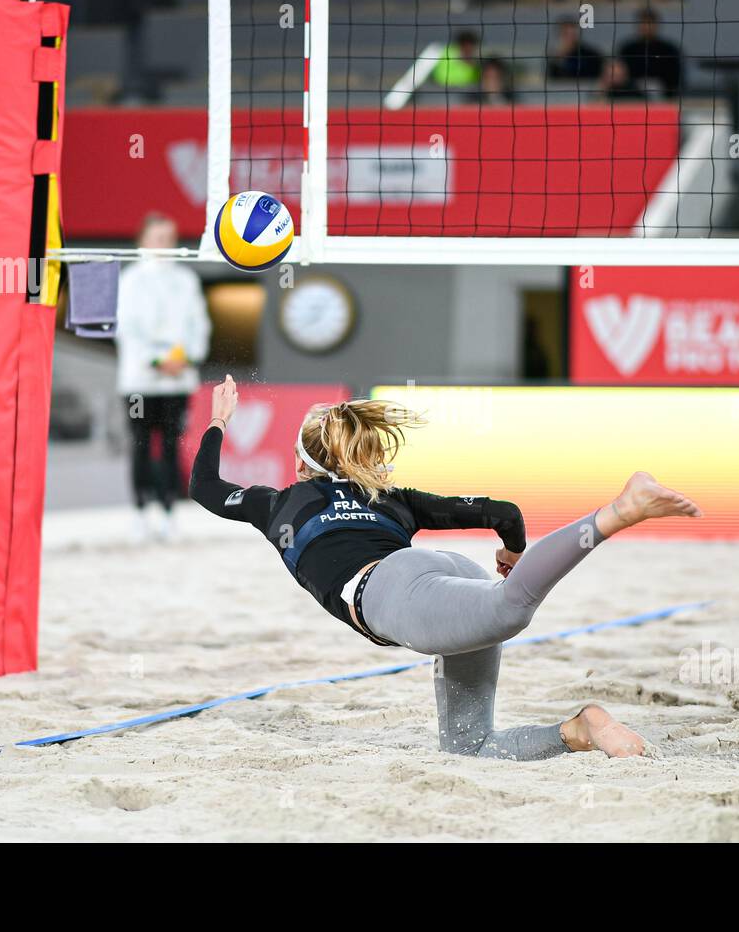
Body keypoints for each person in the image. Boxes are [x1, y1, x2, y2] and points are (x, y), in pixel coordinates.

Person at [191, 376, 703, 760]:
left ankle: (617, 513)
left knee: (511, 610)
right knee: (470, 747)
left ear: (302, 465)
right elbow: (504, 512)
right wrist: (512, 553)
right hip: (443, 575)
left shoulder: (274, 503)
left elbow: (205, 487)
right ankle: (580, 730)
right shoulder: (390, 497)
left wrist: (218, 421)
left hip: (393, 591)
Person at [116, 213, 212, 541]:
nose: (164, 245)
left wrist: (184, 358)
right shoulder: (130, 280)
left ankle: (170, 513)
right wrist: (156, 360)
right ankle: (141, 512)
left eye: (169, 238)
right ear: (143, 241)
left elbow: (199, 325)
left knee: (172, 446)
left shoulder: (186, 280)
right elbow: (127, 328)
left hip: (177, 379)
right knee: (141, 445)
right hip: (139, 381)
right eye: (158, 238)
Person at [617, 9, 681, 98]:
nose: (646, 26)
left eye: (650, 23)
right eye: (643, 23)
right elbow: (620, 76)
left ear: (657, 25)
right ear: (638, 25)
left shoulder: (669, 49)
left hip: (661, 94)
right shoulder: (627, 49)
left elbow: (675, 79)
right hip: (631, 93)